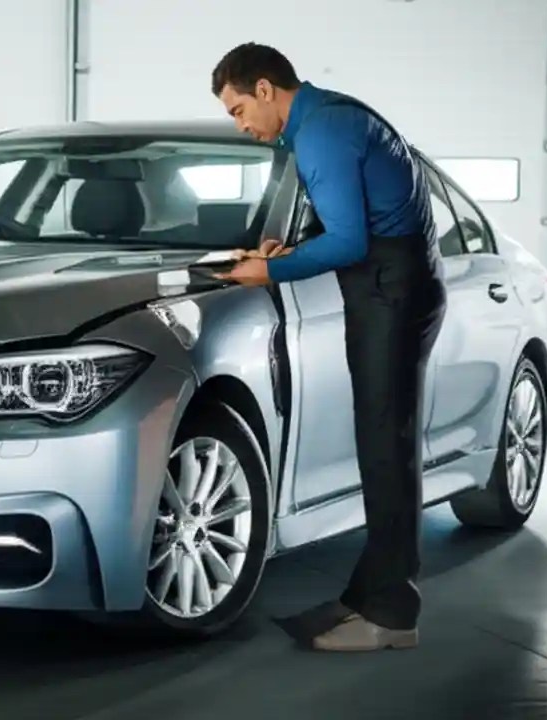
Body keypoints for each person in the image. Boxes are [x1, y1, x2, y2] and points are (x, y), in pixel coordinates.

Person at [210, 42, 448, 652]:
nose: (240, 125)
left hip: (390, 291)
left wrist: (268, 273)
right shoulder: (323, 123)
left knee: (386, 447)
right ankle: (368, 595)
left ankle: (393, 616)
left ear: (265, 90)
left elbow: (347, 243)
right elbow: (352, 219)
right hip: (390, 284)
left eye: (238, 110)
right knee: (379, 442)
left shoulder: (322, 131)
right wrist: (290, 248)